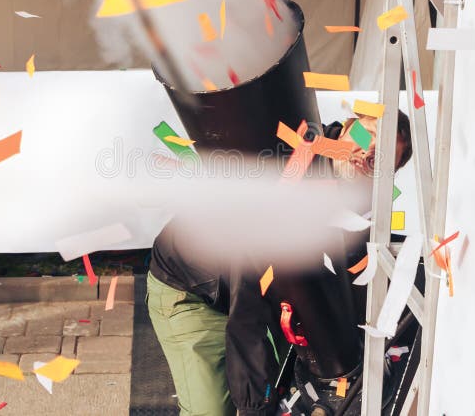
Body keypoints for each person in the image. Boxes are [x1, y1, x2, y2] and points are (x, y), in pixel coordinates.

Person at [147, 111, 413, 416]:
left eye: (379, 158)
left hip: (255, 292)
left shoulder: (361, 206)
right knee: (211, 411)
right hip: (191, 289)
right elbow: (247, 309)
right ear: (347, 125)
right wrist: (254, 406)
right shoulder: (292, 164)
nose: (365, 152)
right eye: (366, 136)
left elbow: (348, 275)